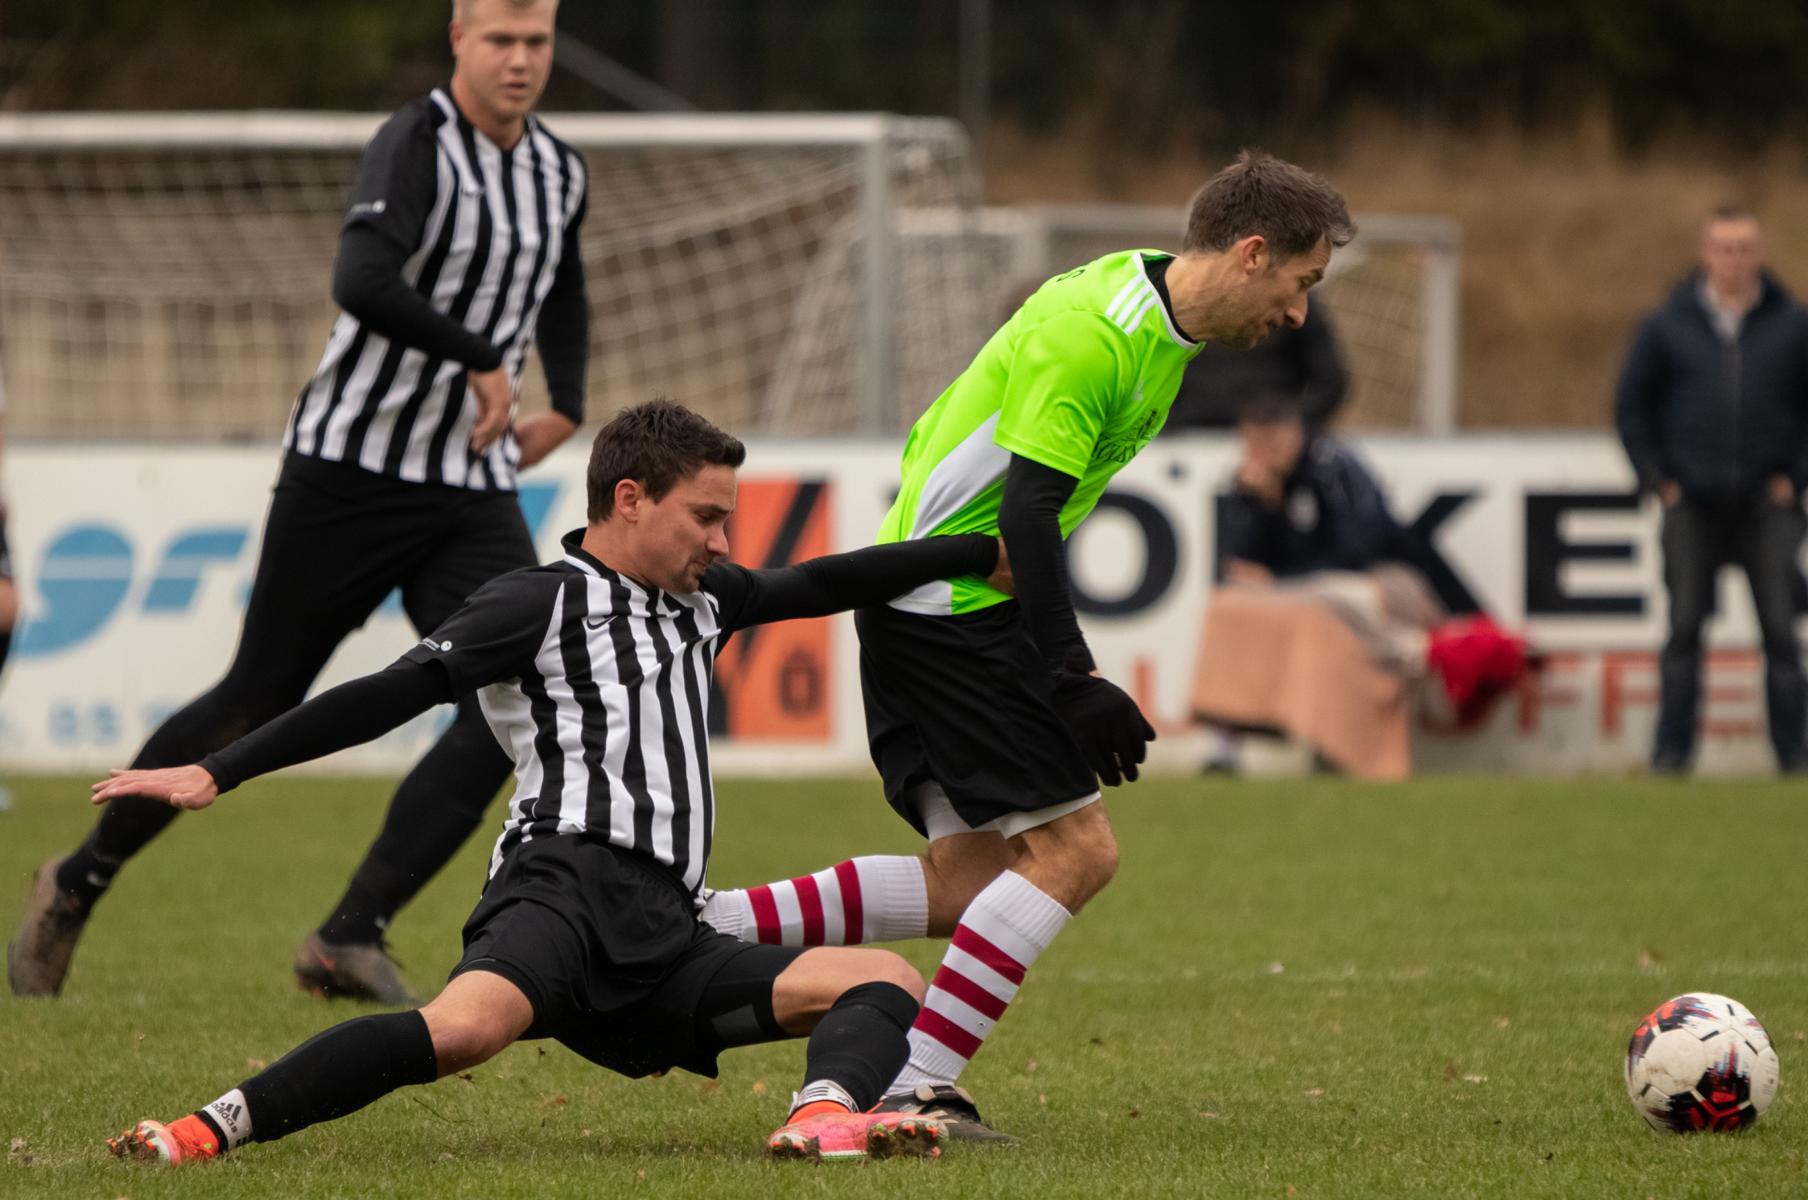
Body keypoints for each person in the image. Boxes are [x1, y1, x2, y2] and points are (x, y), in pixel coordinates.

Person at [99, 401, 1010, 1166]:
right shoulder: (537, 602)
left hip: (671, 927)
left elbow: (822, 580)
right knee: (462, 1033)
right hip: (561, 889)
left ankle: (819, 1119)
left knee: (882, 978)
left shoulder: (709, 601)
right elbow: (387, 695)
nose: (721, 540)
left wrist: (972, 554)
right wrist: (221, 767)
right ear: (629, 499)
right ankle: (202, 1131)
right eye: (704, 516)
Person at [699, 151, 1356, 1139]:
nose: (1300, 316)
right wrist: (1070, 673)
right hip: (953, 610)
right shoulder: (1093, 333)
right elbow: (1031, 506)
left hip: (936, 599)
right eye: (1300, 285)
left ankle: (698, 924)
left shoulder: (1154, 320)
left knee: (969, 881)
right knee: (1076, 852)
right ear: (1253, 255)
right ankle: (916, 1084)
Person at [10, 0, 591, 1002]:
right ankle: (78, 879)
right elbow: (360, 277)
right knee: (254, 701)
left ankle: (347, 932)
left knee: (519, 695)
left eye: (536, 43)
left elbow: (566, 284)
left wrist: (568, 404)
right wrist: (481, 360)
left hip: (464, 482)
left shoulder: (559, 169)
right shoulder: (413, 145)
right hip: (349, 473)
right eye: (500, 41)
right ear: (459, 38)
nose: (520, 61)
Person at [1615, 206, 1808, 775]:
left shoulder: (1794, 327)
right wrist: (1657, 479)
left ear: (1760, 253)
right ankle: (1672, 757)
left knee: (1780, 630)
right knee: (1683, 631)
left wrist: (1794, 479)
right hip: (1692, 504)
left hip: (1767, 507)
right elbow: (1632, 408)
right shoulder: (1666, 326)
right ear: (1705, 253)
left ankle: (1795, 757)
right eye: (1723, 247)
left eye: (1744, 247)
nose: (1734, 258)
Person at [1163, 299, 1348, 431]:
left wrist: (1287, 422)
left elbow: (1330, 381)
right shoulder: (1186, 302)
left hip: (1267, 443)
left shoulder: (1295, 307)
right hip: (1186, 439)